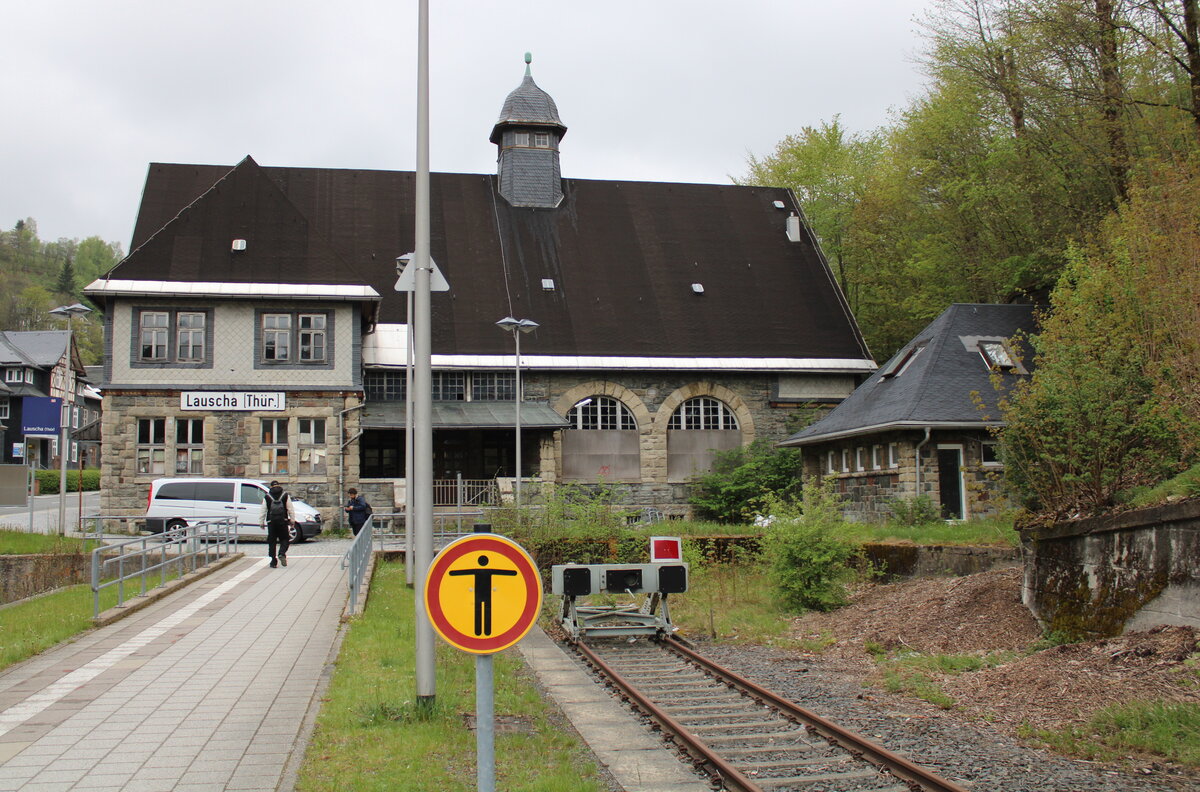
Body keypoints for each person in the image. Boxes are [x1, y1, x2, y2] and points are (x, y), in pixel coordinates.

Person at [259, 480, 294, 568]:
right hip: (283, 521)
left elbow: (263, 510)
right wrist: (292, 520)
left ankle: (273, 561)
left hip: (271, 522)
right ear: (279, 486)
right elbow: (290, 509)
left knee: (272, 541)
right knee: (285, 539)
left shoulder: (267, 496)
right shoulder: (285, 495)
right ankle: (282, 553)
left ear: (271, 487)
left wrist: (261, 522)